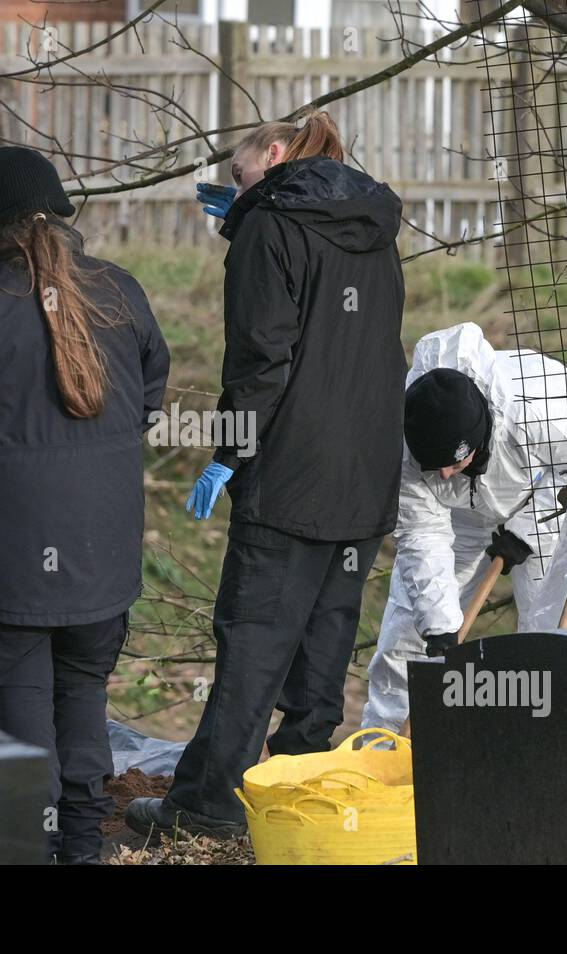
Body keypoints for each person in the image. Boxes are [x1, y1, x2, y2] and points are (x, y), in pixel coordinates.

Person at [126, 111, 407, 838]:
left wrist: (226, 453)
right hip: (367, 469)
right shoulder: (370, 224)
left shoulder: (270, 226)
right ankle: (296, 802)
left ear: (275, 153)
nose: (233, 182)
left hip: (290, 472)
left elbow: (261, 361)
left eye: (239, 168)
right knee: (324, 646)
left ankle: (206, 809)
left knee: (254, 644)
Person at [0, 147, 170, 865]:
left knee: (22, 715)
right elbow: (147, 404)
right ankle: (83, 852)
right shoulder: (122, 293)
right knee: (84, 700)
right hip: (102, 550)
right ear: (62, 210)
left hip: (7, 550)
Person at [361, 321, 567, 733]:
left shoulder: (538, 398)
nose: (446, 475)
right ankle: (381, 757)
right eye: (435, 468)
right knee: (408, 638)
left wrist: (527, 529)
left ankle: (544, 744)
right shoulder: (403, 440)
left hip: (541, 502)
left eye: (454, 463)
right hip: (459, 520)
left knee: (550, 632)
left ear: (477, 438)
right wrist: (439, 627)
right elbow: (422, 535)